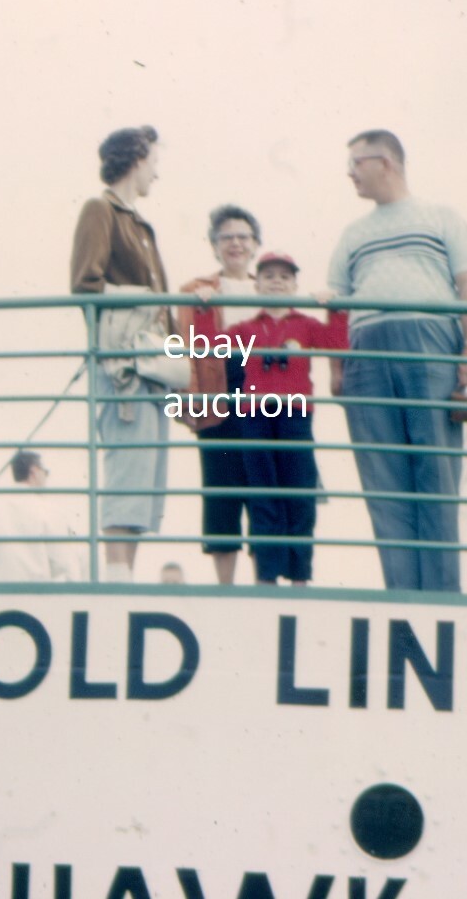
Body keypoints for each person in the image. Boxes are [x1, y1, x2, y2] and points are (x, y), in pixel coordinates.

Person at [327, 130, 467, 592]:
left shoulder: (441, 217)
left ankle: (440, 598)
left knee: (434, 474)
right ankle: (401, 596)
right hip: (366, 351)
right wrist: (338, 367)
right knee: (383, 481)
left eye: (357, 163)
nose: (350, 173)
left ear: (386, 162)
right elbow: (335, 301)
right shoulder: (352, 234)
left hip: (429, 341)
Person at [195, 251, 348, 586]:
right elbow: (209, 346)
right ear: (257, 285)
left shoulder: (305, 325)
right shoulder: (246, 328)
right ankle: (266, 577)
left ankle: (299, 576)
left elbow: (338, 342)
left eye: (285, 276)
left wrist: (334, 308)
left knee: (299, 492)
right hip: (255, 415)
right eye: (268, 276)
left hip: (295, 414)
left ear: (295, 285)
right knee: (262, 493)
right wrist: (204, 309)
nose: (277, 281)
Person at [69, 125, 171, 582]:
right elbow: (84, 283)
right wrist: (141, 301)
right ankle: (116, 581)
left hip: (149, 362)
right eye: (153, 161)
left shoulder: (138, 221)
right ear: (136, 159)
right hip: (122, 364)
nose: (157, 173)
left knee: (145, 472)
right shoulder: (101, 209)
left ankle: (123, 576)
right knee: (127, 466)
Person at [175, 205, 263, 584]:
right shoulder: (197, 291)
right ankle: (225, 587)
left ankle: (266, 582)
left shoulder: (272, 286)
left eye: (243, 236)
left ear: (256, 245)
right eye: (227, 237)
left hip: (263, 391)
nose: (236, 244)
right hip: (219, 389)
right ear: (214, 246)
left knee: (266, 486)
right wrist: (184, 400)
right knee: (221, 488)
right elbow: (183, 344)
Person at [0, 452, 82, 582]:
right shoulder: (48, 509)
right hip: (35, 594)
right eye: (46, 472)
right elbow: (64, 561)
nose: (46, 478)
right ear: (34, 471)